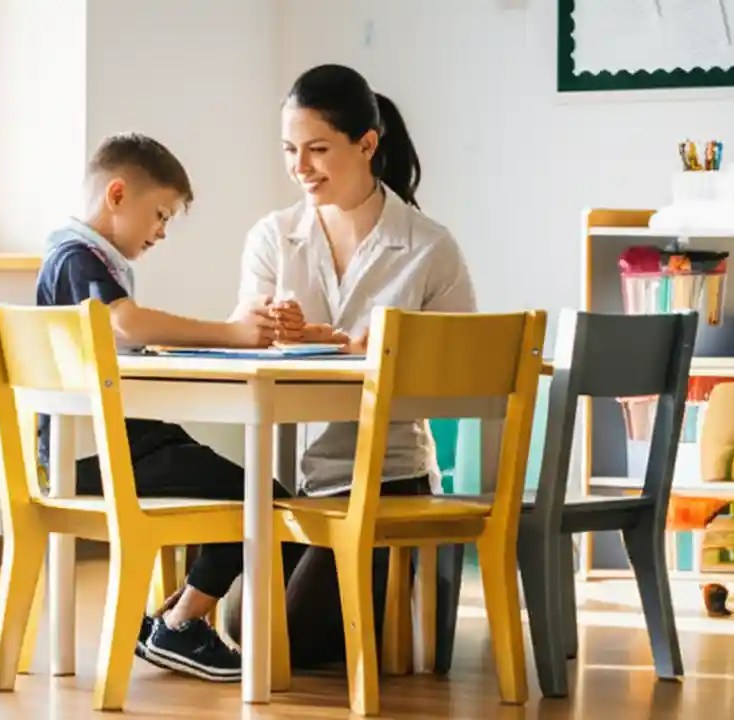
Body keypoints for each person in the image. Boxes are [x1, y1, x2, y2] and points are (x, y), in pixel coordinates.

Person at [222, 64, 477, 667]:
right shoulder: (273, 237)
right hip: (306, 486)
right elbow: (240, 336)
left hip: (393, 483)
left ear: (367, 144)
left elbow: (461, 374)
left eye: (317, 149)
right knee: (243, 622)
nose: (299, 167)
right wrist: (261, 327)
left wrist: (351, 346)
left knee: (286, 638)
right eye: (289, 149)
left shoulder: (428, 247)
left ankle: (386, 600)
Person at [34, 132, 305, 682]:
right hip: (95, 454)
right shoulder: (75, 257)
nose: (161, 231)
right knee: (261, 494)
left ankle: (171, 621)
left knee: (225, 473)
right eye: (159, 214)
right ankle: (181, 626)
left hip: (111, 444)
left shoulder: (83, 260)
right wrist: (230, 332)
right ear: (116, 195)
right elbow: (123, 322)